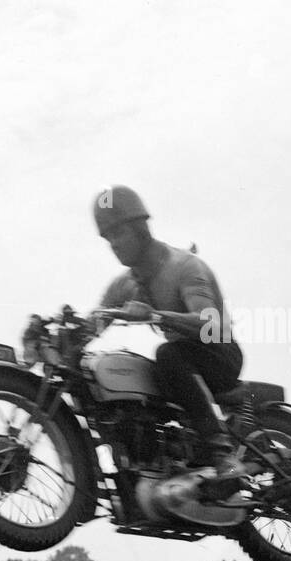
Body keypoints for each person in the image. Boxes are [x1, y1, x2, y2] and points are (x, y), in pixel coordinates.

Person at [91, 186, 244, 482]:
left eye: (119, 233)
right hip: (183, 363)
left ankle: (221, 452)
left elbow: (210, 324)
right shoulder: (125, 284)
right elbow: (95, 320)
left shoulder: (184, 266)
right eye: (108, 238)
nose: (114, 244)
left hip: (219, 352)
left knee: (168, 354)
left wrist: (156, 315)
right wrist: (59, 334)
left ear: (140, 228)